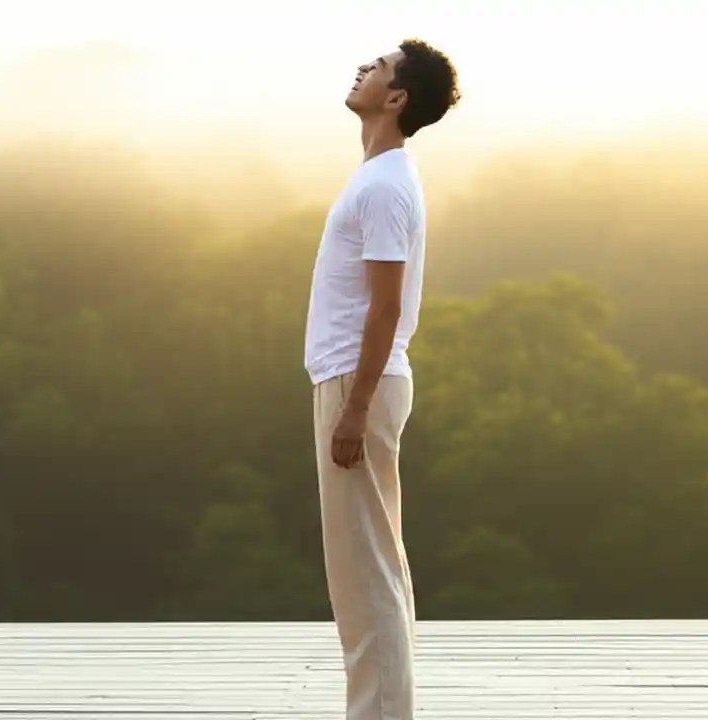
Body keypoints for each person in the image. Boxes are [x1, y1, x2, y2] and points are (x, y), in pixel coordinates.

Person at [303, 38, 460, 720]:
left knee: (366, 577)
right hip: (349, 382)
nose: (364, 68)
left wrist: (354, 409)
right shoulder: (376, 176)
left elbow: (387, 306)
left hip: (357, 385)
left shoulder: (387, 184)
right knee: (367, 572)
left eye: (380, 66)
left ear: (396, 98)